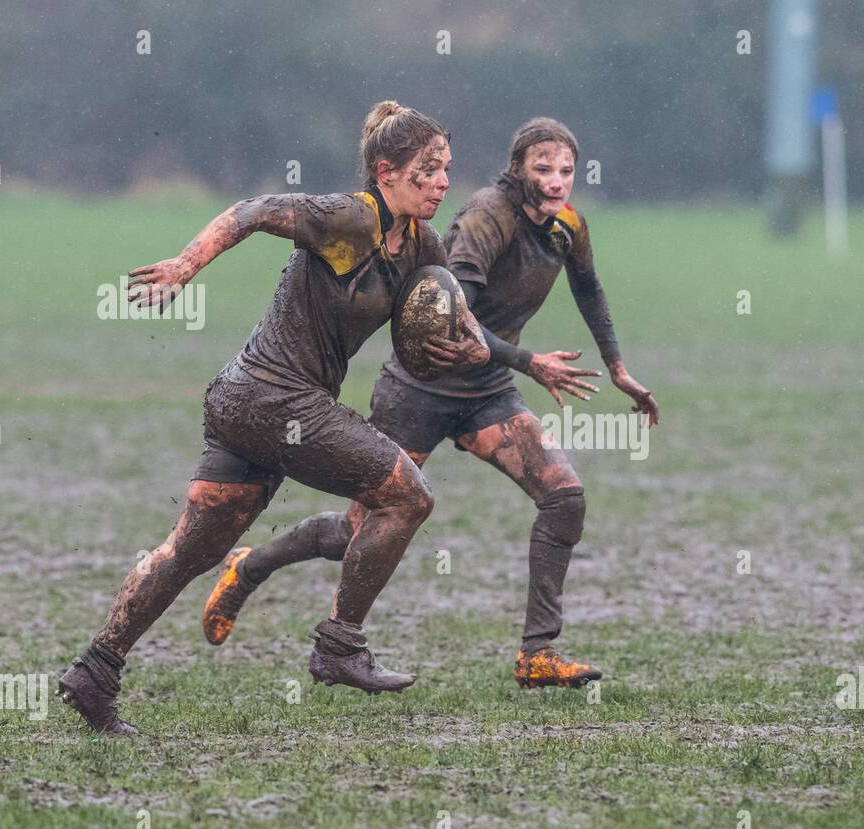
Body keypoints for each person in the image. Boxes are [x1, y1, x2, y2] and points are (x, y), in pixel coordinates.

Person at [58, 101, 486, 734]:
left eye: (446, 169)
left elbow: (467, 329)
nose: (442, 183)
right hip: (273, 400)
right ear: (386, 171)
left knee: (191, 551)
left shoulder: (420, 244)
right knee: (408, 499)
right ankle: (339, 648)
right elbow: (253, 211)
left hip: (246, 402)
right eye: (428, 170)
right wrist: (183, 266)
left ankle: (93, 674)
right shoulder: (352, 218)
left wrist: (468, 349)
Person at [203, 118, 658, 689]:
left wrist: (617, 368)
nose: (557, 179)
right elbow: (444, 316)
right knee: (359, 533)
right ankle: (251, 566)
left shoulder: (567, 225)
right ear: (517, 169)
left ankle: (537, 653)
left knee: (563, 496)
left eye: (566, 169)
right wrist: (528, 361)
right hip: (418, 392)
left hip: (487, 392)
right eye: (543, 168)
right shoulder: (486, 219)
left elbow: (588, 288)